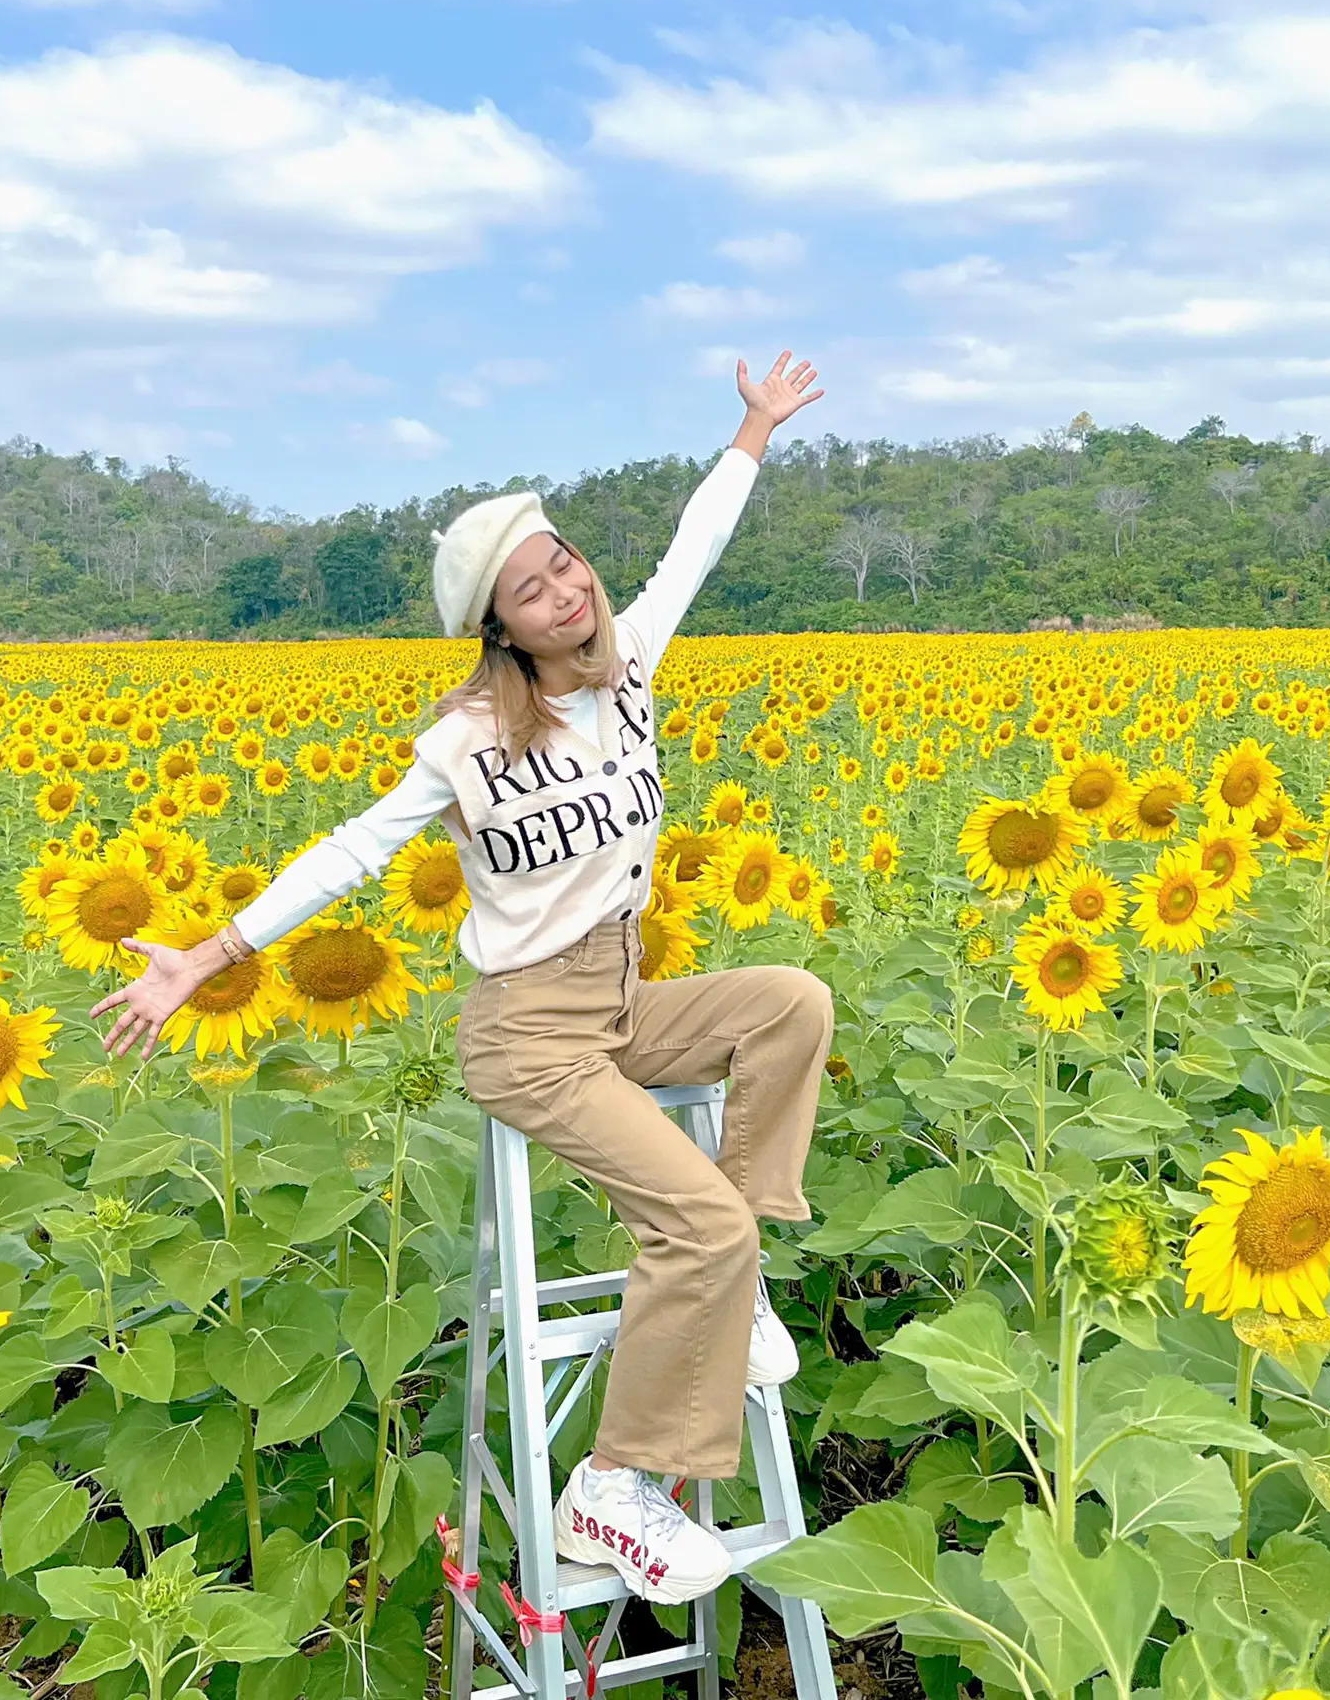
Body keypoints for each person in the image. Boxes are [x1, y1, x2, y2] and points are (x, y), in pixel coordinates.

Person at [92, 351, 835, 1606]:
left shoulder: (636, 655)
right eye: (529, 589)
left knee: (792, 1003)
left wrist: (751, 431)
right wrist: (212, 954)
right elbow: (353, 849)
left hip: (618, 996)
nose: (563, 589)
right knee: (691, 1220)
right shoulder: (468, 738)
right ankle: (611, 1490)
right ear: (499, 625)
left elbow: (695, 545)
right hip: (527, 1030)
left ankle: (735, 1283)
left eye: (563, 562)